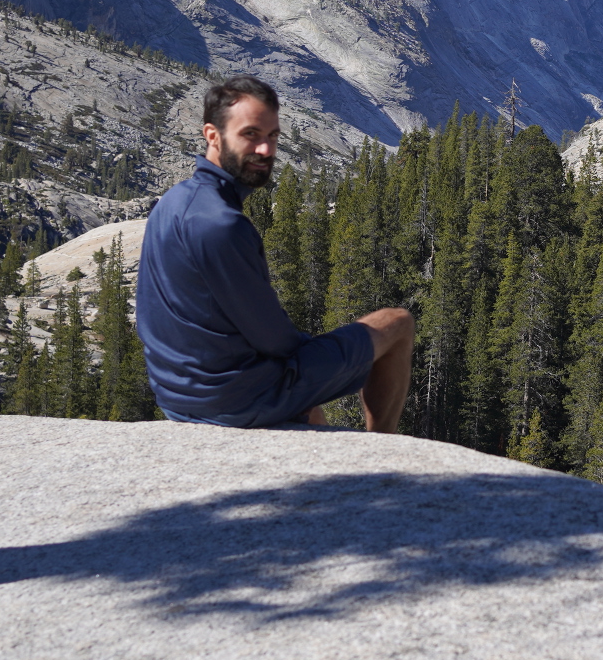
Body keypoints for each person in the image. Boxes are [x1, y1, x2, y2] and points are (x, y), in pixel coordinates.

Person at [136, 75, 412, 431]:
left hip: (177, 393)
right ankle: (383, 452)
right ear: (212, 136)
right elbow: (275, 340)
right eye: (250, 134)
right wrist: (330, 355)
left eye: (272, 136)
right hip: (231, 401)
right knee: (397, 322)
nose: (266, 150)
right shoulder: (221, 224)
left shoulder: (175, 201)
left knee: (302, 382)